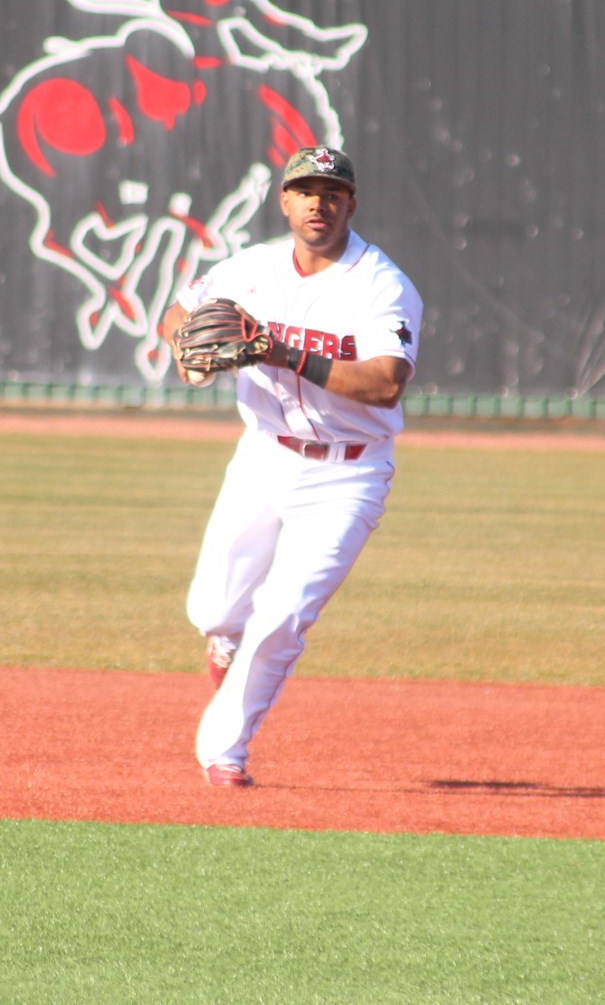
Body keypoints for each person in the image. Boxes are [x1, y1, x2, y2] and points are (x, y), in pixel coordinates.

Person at [158, 146, 424, 788]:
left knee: (282, 614)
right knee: (215, 611)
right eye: (305, 191)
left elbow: (386, 383)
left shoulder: (382, 285)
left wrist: (282, 352)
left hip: (348, 474)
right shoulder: (249, 269)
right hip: (263, 457)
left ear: (351, 205)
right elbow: (179, 310)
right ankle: (224, 642)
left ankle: (226, 751)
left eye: (332, 193)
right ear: (284, 200)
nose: (318, 203)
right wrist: (183, 347)